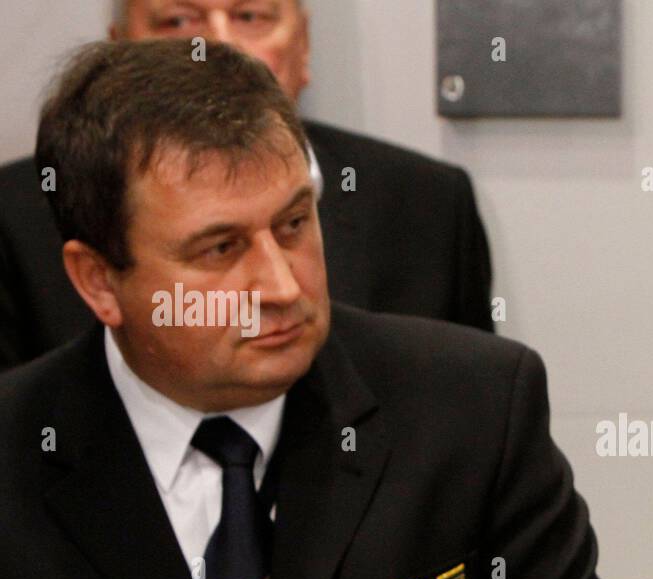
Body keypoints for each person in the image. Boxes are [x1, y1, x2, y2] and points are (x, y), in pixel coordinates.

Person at [0, 38, 648, 579]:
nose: (282, 283)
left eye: (295, 224)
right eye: (219, 249)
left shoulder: (472, 404)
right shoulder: (17, 454)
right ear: (97, 281)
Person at [0, 0, 493, 368]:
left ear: (303, 44)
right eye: (178, 22)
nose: (216, 48)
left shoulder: (426, 205)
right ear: (118, 48)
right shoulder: (16, 216)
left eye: (250, 16)